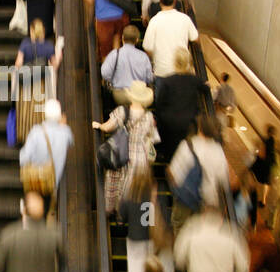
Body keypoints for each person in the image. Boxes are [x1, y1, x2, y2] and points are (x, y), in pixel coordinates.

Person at [92, 80, 159, 215]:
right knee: (131, 189)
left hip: (120, 154)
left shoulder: (123, 111)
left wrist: (99, 125)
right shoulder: (149, 117)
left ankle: (110, 210)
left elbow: (108, 127)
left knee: (114, 185)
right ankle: (123, 216)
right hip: (140, 159)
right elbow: (153, 138)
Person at [167, 113, 232, 232]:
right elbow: (224, 182)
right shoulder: (219, 152)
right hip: (207, 202)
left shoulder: (187, 145)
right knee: (199, 232)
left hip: (185, 199)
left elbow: (173, 173)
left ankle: (181, 249)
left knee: (180, 227)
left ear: (200, 127)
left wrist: (175, 189)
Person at [120, 169, 173, 272]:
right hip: (154, 240)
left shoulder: (129, 195)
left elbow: (121, 217)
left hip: (135, 239)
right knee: (157, 269)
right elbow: (165, 217)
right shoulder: (157, 195)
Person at [153, 47, 206, 162]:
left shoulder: (167, 81)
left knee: (169, 146)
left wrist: (157, 119)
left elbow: (159, 104)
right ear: (189, 63)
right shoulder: (195, 80)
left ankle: (166, 157)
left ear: (175, 62)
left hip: (169, 123)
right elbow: (205, 87)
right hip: (188, 124)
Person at [13, 18, 61, 142]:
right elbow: (54, 65)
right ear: (43, 31)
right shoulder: (48, 46)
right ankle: (42, 138)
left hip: (27, 83)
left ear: (32, 31)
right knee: (40, 111)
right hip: (41, 83)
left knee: (26, 111)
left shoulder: (25, 43)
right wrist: (59, 54)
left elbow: (18, 64)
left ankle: (25, 135)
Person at [19, 99, 74, 202]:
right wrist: (63, 126)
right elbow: (70, 143)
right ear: (59, 115)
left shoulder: (36, 132)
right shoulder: (66, 132)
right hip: (52, 182)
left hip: (35, 182)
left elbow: (23, 159)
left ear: (45, 114)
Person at [143, 0, 198, 79]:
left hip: (162, 71)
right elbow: (195, 38)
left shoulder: (154, 21)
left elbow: (148, 47)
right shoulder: (185, 18)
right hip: (182, 69)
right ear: (175, 1)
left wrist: (154, 59)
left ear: (160, 1)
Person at [100, 23, 153, 105]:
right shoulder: (144, 57)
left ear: (122, 38)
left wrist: (113, 80)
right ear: (137, 40)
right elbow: (149, 78)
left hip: (120, 94)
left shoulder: (115, 54)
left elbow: (104, 73)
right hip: (138, 93)